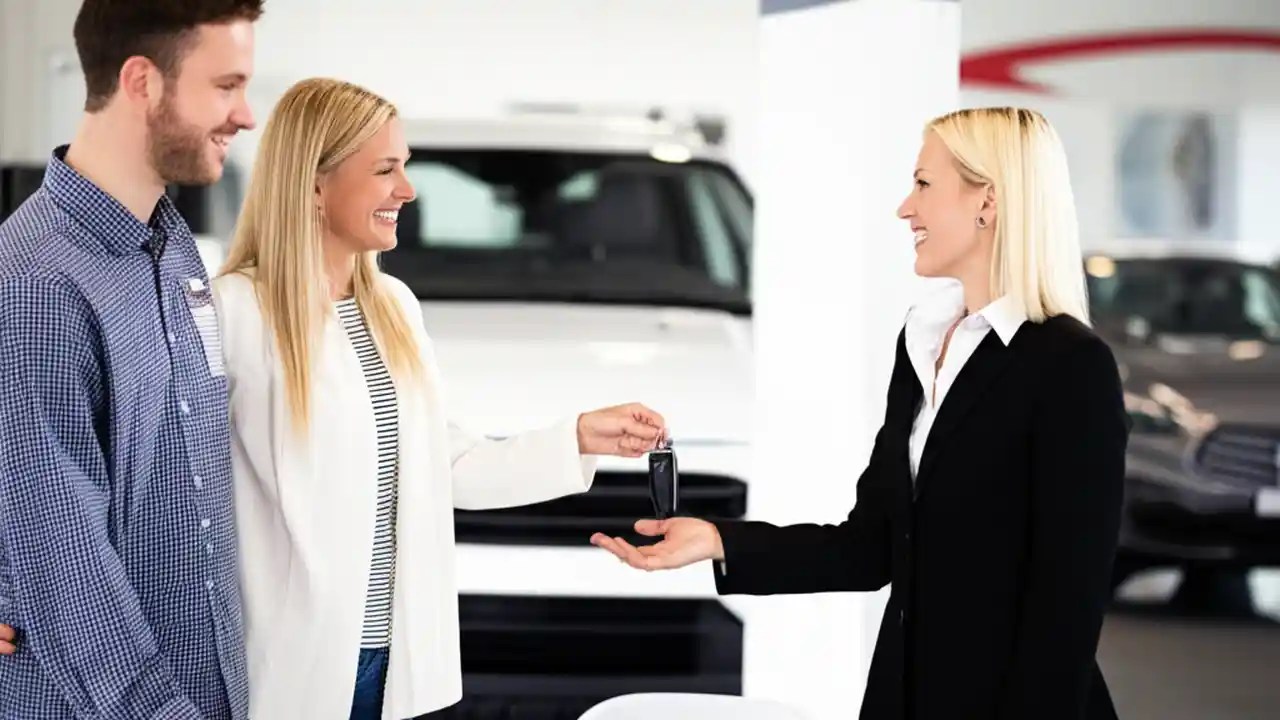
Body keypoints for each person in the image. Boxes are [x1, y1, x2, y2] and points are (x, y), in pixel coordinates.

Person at [591, 108, 1131, 720]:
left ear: (989, 200)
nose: (906, 208)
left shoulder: (1070, 366)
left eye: (924, 184)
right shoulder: (924, 341)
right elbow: (872, 547)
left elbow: (1067, 605)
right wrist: (716, 539)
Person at [211, 77, 669, 720]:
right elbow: (156, 485)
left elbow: (443, 466)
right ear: (314, 184)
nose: (408, 189)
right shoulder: (232, 312)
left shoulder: (393, 306)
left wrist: (576, 438)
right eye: (385, 169)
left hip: (391, 664)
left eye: (406, 167)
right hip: (285, 668)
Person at [0, 1, 261, 717]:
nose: (246, 115)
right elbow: (65, 563)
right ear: (143, 81)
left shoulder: (173, 246)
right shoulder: (38, 284)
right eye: (226, 86)